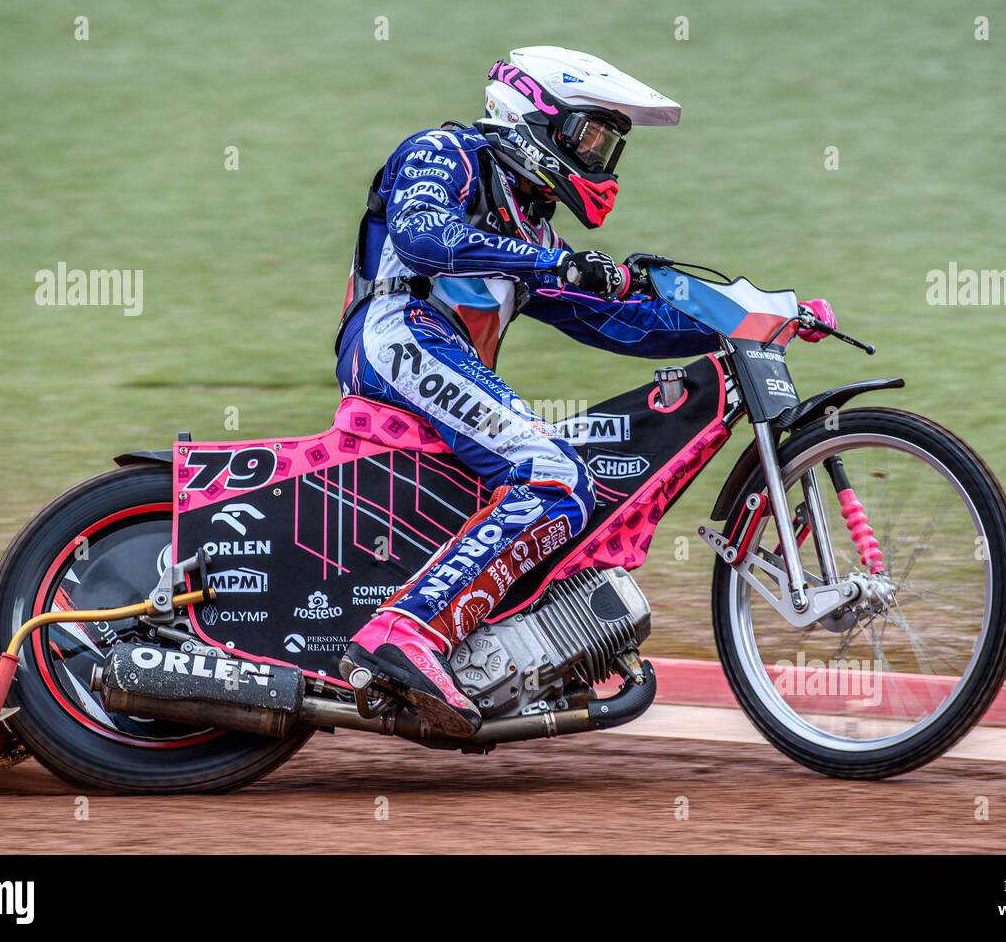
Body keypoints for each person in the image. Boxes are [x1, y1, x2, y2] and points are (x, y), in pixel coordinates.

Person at [334, 46, 835, 735]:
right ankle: (404, 636)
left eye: (609, 144)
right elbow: (423, 237)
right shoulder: (445, 150)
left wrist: (757, 320)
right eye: (589, 136)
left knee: (563, 487)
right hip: (399, 338)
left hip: (437, 359)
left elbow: (620, 323)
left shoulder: (531, 228)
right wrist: (555, 262)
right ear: (531, 117)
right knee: (553, 474)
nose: (599, 159)